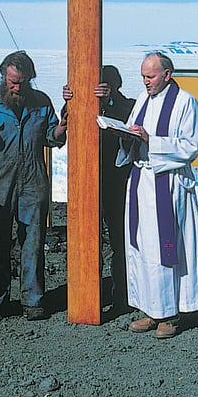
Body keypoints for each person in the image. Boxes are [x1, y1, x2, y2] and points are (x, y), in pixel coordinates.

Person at [104, 52, 198, 337]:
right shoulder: (142, 99)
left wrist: (152, 140)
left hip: (168, 182)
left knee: (167, 247)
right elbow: (135, 135)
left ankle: (171, 314)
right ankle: (151, 309)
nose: (146, 82)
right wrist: (127, 136)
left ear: (167, 74)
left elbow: (191, 146)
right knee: (143, 247)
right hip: (141, 181)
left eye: (150, 76)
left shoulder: (185, 101)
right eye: (143, 76)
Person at [0, 51, 67, 322]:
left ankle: (33, 300)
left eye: (22, 82)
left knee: (33, 241)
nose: (17, 86)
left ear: (30, 79)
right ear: (3, 75)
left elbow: (51, 136)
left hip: (33, 180)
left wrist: (60, 131)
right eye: (12, 81)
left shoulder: (41, 102)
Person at [62, 65, 135, 311]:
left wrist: (110, 101)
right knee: (86, 238)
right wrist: (71, 99)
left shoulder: (127, 105)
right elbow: (66, 122)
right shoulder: (85, 104)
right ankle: (87, 294)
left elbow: (129, 121)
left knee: (119, 240)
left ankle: (122, 295)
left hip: (116, 182)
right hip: (86, 179)